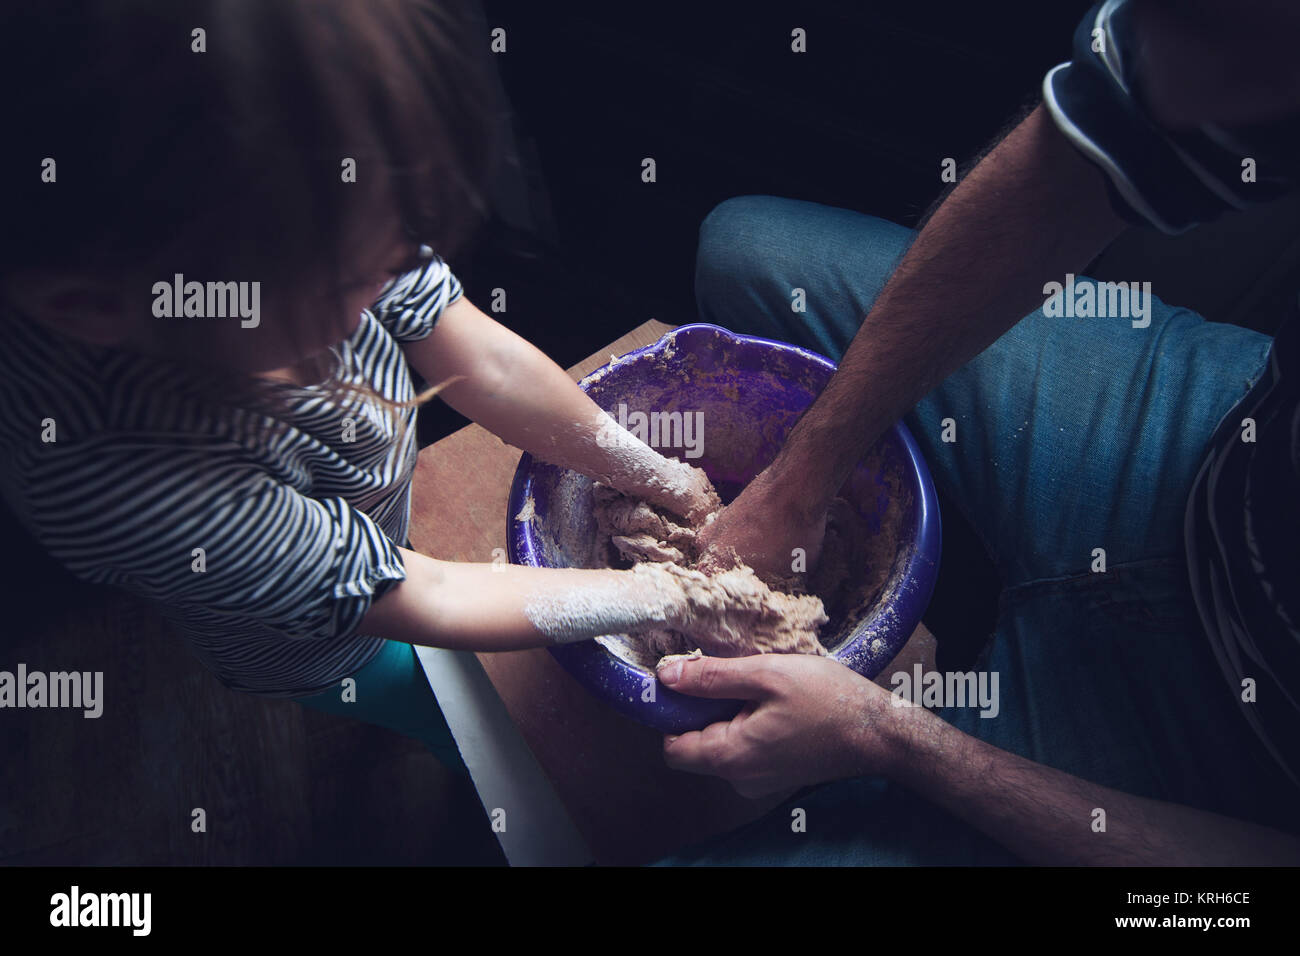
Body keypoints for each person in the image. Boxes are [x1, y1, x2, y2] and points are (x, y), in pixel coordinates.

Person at [0, 0, 772, 777]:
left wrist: (668, 478)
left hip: (370, 526)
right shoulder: (122, 481)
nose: (392, 276)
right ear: (95, 304)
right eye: (354, 279)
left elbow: (487, 363)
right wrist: (680, 594)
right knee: (480, 731)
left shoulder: (315, 194)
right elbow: (425, 595)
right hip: (327, 640)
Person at [652, 0, 1300, 864]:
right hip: (1209, 444)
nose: (1152, 91)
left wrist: (889, 735)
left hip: (1234, 785)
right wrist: (799, 476)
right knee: (742, 248)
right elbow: (1072, 168)